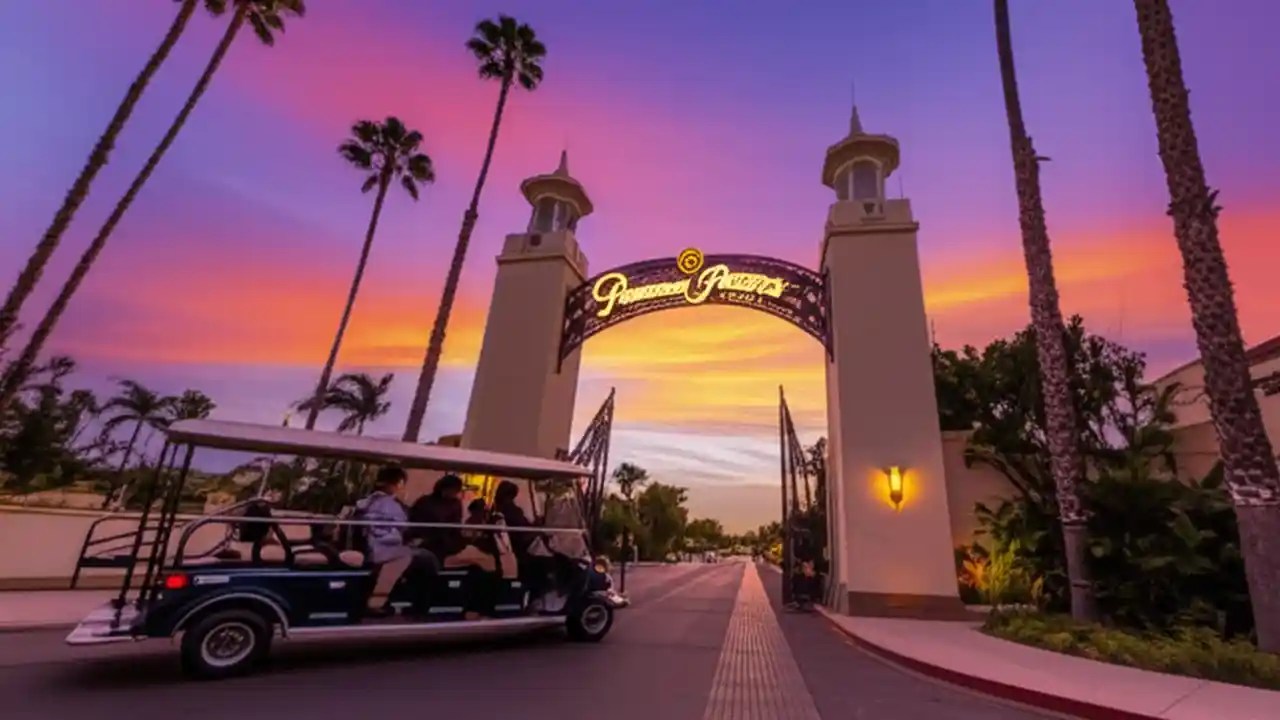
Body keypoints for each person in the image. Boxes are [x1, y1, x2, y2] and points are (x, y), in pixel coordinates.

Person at [354, 465, 438, 616]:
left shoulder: (369, 500)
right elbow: (400, 527)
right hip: (384, 548)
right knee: (428, 559)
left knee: (420, 557)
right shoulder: (388, 503)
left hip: (375, 546)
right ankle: (420, 607)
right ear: (398, 483)